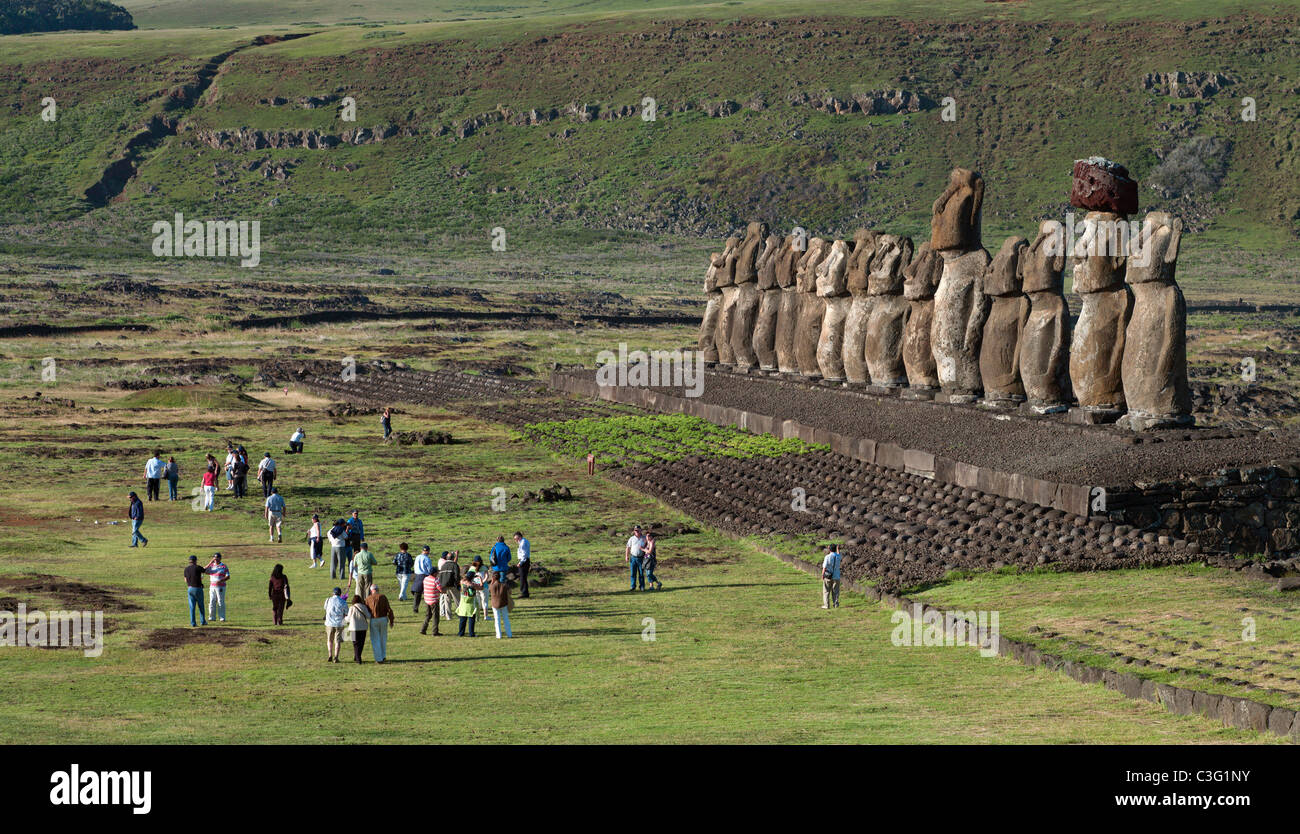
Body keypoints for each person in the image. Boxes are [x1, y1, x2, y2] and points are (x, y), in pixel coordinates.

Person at [365, 584, 395, 663]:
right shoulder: (383, 597)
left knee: (375, 639)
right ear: (377, 589)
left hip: (374, 619)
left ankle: (379, 659)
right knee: (383, 638)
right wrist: (391, 620)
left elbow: (365, 611)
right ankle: (383, 656)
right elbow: (389, 609)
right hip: (383, 618)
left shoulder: (368, 599)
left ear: (371, 590)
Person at [345, 591, 371, 662]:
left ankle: (357, 657)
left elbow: (348, 619)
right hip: (363, 628)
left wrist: (344, 618)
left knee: (355, 643)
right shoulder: (364, 607)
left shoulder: (351, 608)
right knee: (361, 643)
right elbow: (368, 616)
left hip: (353, 629)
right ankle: (357, 656)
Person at [324, 587, 347, 662]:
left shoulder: (328, 600)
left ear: (333, 593)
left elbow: (325, 608)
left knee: (329, 640)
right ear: (340, 594)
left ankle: (330, 655)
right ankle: (336, 657)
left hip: (329, 623)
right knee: (337, 641)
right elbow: (346, 613)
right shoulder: (343, 602)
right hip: (339, 624)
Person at [437, 552, 461, 622]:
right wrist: (458, 585)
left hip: (444, 586)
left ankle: (448, 617)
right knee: (457, 601)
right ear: (453, 558)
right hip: (453, 586)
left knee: (447, 602)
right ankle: (459, 615)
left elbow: (440, 576)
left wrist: (442, 586)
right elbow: (456, 576)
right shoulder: (454, 565)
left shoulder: (443, 565)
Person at [206, 553, 230, 622]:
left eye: (217, 557)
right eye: (214, 557)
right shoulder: (211, 566)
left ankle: (222, 617)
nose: (216, 559)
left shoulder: (223, 566)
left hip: (220, 587)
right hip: (212, 586)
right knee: (212, 601)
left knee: (220, 601)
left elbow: (228, 576)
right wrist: (210, 562)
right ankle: (212, 617)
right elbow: (204, 570)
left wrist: (221, 581)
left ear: (220, 558)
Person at [488, 572, 513, 639]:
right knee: (506, 619)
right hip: (503, 603)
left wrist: (492, 582)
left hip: (495, 604)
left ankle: (499, 635)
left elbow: (489, 590)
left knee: (497, 620)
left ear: (493, 578)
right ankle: (509, 634)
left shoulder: (491, 586)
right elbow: (510, 592)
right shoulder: (504, 585)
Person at [184, 555, 207, 627]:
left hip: (190, 588)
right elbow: (204, 569)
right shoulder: (198, 567)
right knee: (201, 606)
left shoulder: (186, 569)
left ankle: (193, 623)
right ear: (195, 560)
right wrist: (211, 562)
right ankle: (203, 621)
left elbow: (185, 580)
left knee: (192, 607)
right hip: (198, 588)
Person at [456, 569, 479, 636]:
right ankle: (471, 633)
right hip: (470, 603)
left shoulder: (462, 582)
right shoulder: (472, 585)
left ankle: (460, 633)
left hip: (463, 603)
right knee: (471, 620)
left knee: (462, 620)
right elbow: (481, 587)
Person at [411, 545, 434, 613]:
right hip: (424, 575)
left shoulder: (417, 557)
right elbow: (429, 569)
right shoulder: (427, 559)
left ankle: (416, 607)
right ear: (428, 551)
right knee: (427, 592)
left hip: (417, 575)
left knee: (417, 593)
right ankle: (429, 608)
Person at [624, 526, 646, 591]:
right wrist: (626, 556)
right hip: (633, 557)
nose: (636, 532)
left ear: (640, 530)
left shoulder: (644, 538)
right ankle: (633, 586)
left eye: (638, 530)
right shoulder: (631, 538)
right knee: (633, 573)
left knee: (641, 573)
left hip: (641, 558)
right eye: (635, 530)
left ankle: (642, 586)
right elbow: (628, 547)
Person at [821, 544, 842, 610]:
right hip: (837, 576)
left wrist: (822, 575)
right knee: (835, 591)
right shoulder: (838, 556)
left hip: (828, 576)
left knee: (826, 591)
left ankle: (826, 605)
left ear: (829, 549)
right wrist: (838, 549)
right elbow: (838, 553)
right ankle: (835, 604)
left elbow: (824, 567)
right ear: (835, 549)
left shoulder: (827, 557)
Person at [470, 557, 490, 621]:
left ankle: (476, 617)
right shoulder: (484, 567)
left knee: (477, 602)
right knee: (485, 601)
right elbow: (487, 576)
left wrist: (475, 583)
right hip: (484, 586)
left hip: (475, 586)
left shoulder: (472, 568)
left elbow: (470, 577)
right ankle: (485, 616)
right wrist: (482, 582)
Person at [513, 531, 531, 598]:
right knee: (523, 577)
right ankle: (524, 592)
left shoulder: (523, 543)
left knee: (523, 578)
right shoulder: (524, 541)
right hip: (525, 561)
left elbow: (524, 554)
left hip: (524, 562)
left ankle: (524, 593)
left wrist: (520, 563)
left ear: (519, 537)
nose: (515, 540)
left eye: (516, 538)